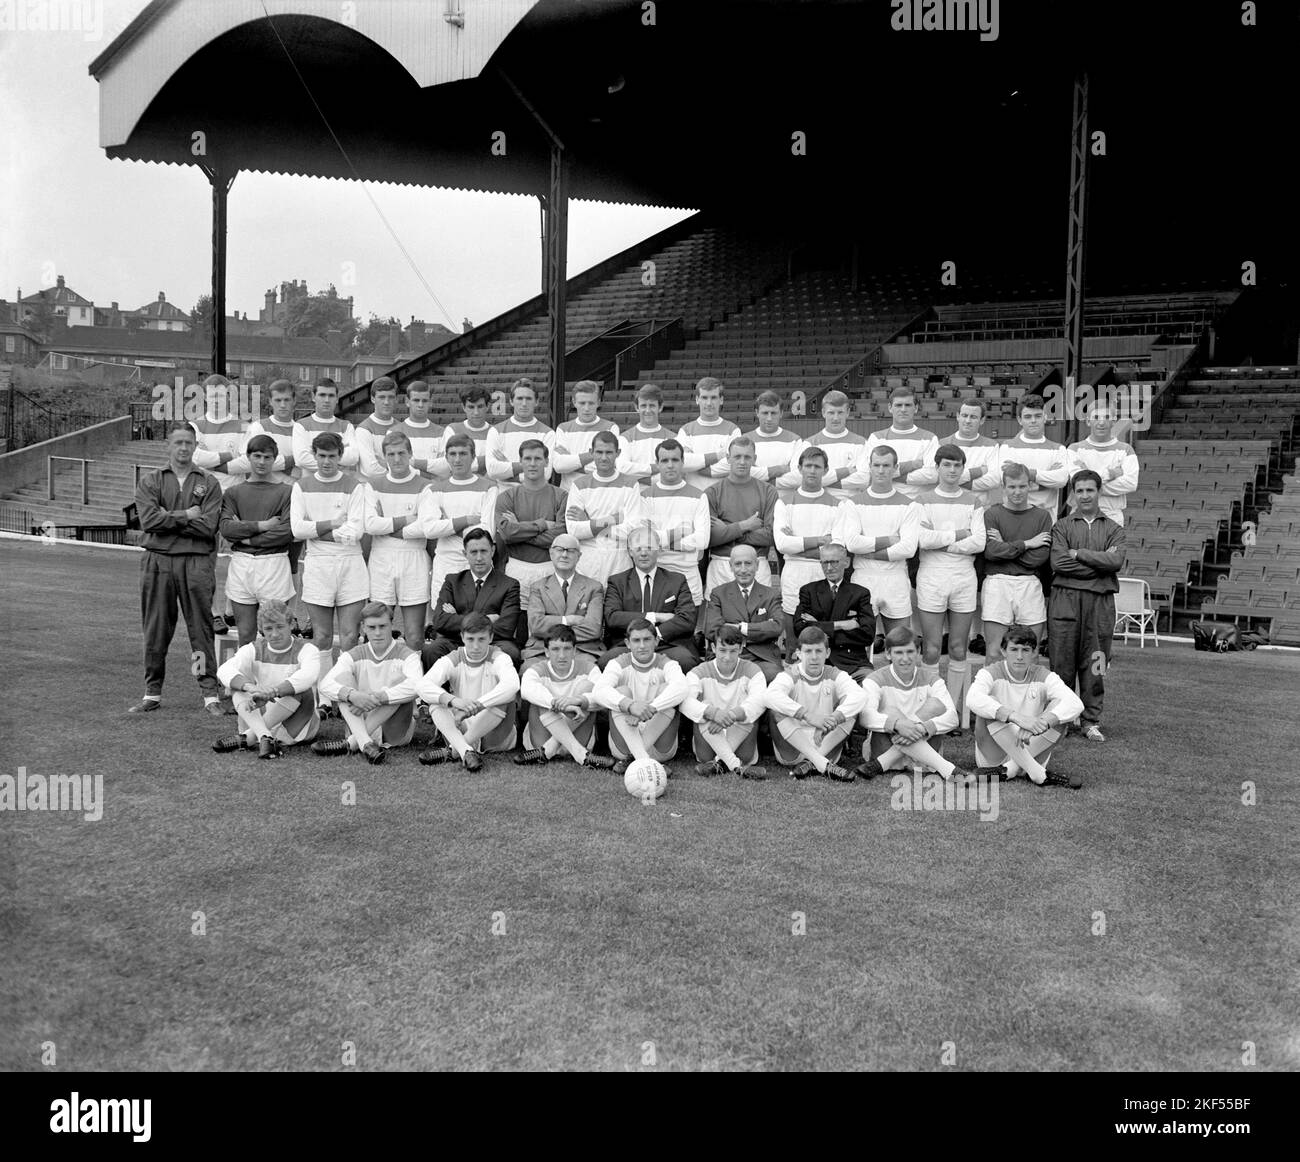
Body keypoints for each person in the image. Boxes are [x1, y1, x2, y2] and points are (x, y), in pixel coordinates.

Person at [129, 423, 225, 716]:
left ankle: (209, 694)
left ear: (196, 446)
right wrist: (186, 515)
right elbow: (148, 522)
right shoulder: (151, 480)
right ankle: (152, 693)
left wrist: (167, 519)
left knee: (200, 630)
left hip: (196, 562)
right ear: (168, 445)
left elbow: (208, 526)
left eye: (188, 443)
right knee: (156, 629)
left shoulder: (208, 482)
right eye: (178, 442)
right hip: (157, 561)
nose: (183, 448)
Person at [1048, 469, 1125, 743]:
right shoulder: (1062, 526)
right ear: (1073, 493)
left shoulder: (1113, 528)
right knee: (1062, 661)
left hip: (1100, 603)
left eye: (1089, 490)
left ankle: (1091, 720)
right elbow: (1059, 564)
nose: (1084, 496)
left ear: (1099, 491)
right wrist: (1098, 565)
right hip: (1065, 600)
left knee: (1096, 661)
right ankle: (1064, 719)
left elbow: (1116, 563)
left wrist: (1079, 554)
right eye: (1079, 491)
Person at [915, 444, 987, 728]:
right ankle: (933, 709)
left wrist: (941, 541)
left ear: (963, 469)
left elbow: (979, 542)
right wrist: (959, 535)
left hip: (964, 577)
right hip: (932, 575)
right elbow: (922, 540)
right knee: (932, 649)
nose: (952, 470)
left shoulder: (974, 501)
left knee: (958, 648)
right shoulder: (922, 500)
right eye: (947, 465)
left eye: (957, 465)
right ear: (937, 467)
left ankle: (955, 711)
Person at [290, 431, 368, 680]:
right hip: (318, 565)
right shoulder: (301, 486)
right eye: (321, 456)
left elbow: (356, 531)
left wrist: (318, 531)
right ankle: (324, 696)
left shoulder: (354, 485)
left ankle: (346, 691)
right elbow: (296, 529)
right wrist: (333, 523)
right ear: (314, 455)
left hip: (350, 564)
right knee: (321, 636)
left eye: (332, 456)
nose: (326, 461)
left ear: (341, 456)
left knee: (350, 636)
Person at [967, 625, 1084, 788]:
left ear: (1034, 652)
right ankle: (1037, 774)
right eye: (1014, 649)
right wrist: (1018, 718)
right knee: (988, 702)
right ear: (1003, 651)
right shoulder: (989, 673)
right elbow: (972, 698)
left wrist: (1039, 723)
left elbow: (1075, 703)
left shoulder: (1044, 675)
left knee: (1060, 707)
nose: (1020, 656)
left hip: (1033, 749)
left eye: (1026, 650)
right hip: (994, 756)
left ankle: (1009, 770)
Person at [856, 627, 971, 782]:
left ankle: (881, 763)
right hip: (885, 747)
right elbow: (865, 716)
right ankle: (947, 769)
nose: (905, 658)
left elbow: (952, 717)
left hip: (921, 759)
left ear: (918, 651)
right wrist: (896, 724)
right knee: (890, 710)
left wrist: (921, 728)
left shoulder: (932, 680)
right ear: (888, 653)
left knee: (936, 705)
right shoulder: (874, 679)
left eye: (910, 652)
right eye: (899, 652)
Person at [213, 599, 321, 759]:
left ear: (291, 625)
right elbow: (224, 670)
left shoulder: (307, 649)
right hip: (261, 714)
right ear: (261, 629)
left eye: (280, 627)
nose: (275, 634)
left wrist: (273, 692)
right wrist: (251, 687)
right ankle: (264, 737)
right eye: (269, 628)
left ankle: (248, 738)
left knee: (300, 688)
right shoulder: (253, 648)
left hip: (296, 724)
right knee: (238, 686)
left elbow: (308, 676)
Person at [314, 602, 422, 763]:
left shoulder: (408, 655)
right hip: (360, 717)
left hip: (394, 733)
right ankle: (365, 743)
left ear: (391, 625)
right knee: (342, 683)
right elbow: (325, 685)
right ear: (363, 627)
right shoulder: (353, 654)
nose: (378, 632)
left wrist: (377, 697)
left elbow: (417, 686)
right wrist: (353, 695)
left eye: (383, 626)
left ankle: (351, 743)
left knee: (400, 683)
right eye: (372, 627)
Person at [773, 446, 851, 658]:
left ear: (826, 470)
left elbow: (837, 550)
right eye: (808, 465)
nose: (812, 471)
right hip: (794, 573)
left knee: (824, 642)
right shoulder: (784, 502)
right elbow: (781, 544)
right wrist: (818, 541)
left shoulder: (838, 505)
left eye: (817, 466)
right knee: (792, 643)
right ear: (799, 468)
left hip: (824, 575)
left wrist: (797, 546)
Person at [416, 612, 520, 771]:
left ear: (491, 638)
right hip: (461, 726)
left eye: (482, 639)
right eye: (471, 639)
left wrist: (477, 706)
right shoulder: (453, 658)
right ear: (462, 637)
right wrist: (454, 701)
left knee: (505, 698)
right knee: (436, 702)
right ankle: (466, 751)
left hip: (495, 734)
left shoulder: (500, 657)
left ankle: (453, 751)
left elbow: (512, 685)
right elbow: (422, 686)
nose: (476, 646)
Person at [218, 434, 295, 645]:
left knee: (276, 632)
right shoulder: (233, 493)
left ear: (274, 459)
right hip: (242, 564)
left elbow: (286, 532)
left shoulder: (287, 492)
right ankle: (246, 678)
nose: (261, 462)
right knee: (245, 634)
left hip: (275, 563)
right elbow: (226, 528)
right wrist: (261, 525)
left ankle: (275, 677)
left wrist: (247, 538)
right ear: (248, 457)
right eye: (257, 456)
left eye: (267, 457)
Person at [764, 626, 864, 781]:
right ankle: (819, 762)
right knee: (775, 709)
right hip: (792, 748)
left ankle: (813, 761)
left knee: (851, 710)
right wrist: (808, 716)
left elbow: (860, 696)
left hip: (826, 743)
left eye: (819, 651)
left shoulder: (835, 674)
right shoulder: (790, 675)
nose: (814, 657)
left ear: (828, 653)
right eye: (808, 651)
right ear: (798, 654)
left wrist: (835, 718)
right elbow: (769, 696)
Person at [590, 618, 690, 771]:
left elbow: (682, 688)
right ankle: (643, 758)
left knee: (668, 690)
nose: (642, 646)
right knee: (621, 693)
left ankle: (634, 758)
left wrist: (650, 708)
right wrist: (630, 706)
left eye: (647, 639)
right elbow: (598, 691)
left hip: (659, 747)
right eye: (636, 640)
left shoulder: (668, 664)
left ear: (656, 641)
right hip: (624, 744)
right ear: (628, 643)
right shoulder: (617, 663)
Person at [842, 444, 919, 640]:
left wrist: (869, 551)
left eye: (886, 465)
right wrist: (888, 540)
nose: (881, 470)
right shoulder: (853, 503)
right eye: (876, 465)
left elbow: (908, 548)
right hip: (863, 578)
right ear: (869, 466)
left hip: (896, 578)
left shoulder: (909, 505)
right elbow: (852, 543)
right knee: (859, 646)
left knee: (900, 643)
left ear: (895, 468)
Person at [363, 430, 431, 652]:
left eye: (401, 453)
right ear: (384, 457)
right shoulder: (372, 485)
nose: (396, 459)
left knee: (414, 634)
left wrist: (388, 525)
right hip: (381, 558)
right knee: (377, 628)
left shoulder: (426, 486)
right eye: (390, 454)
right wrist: (406, 519)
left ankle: (415, 684)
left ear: (410, 453)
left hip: (414, 559)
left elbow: (425, 527)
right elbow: (370, 525)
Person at [189, 374, 246, 633]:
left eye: (221, 394)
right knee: (207, 558)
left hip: (235, 499)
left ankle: (233, 608)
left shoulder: (244, 425)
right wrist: (227, 457)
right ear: (204, 396)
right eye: (212, 395)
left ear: (228, 396)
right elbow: (196, 457)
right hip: (207, 500)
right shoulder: (196, 425)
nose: (216, 399)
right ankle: (212, 612)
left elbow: (246, 460)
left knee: (242, 556)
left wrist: (213, 462)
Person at [515, 624, 616, 769]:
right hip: (542, 738)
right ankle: (581, 755)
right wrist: (560, 705)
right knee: (540, 696)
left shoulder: (590, 668)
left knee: (588, 690)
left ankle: (548, 751)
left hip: (577, 734)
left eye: (567, 649)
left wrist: (577, 700)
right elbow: (526, 691)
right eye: (555, 649)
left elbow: (603, 698)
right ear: (546, 652)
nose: (561, 655)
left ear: (575, 650)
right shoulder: (536, 670)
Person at [981, 462, 1053, 661]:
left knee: (1031, 652)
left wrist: (1005, 546)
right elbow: (990, 552)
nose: (1017, 492)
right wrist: (1027, 544)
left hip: (1029, 582)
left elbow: (1039, 558)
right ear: (1003, 488)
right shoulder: (992, 514)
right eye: (1012, 487)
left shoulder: (1042, 516)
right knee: (995, 652)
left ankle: (1028, 693)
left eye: (1022, 486)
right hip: (997, 582)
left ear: (1030, 486)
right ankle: (993, 693)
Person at [417, 432, 498, 605]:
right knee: (446, 620)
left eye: (463, 454)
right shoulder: (434, 490)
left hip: (477, 563)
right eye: (452, 454)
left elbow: (487, 532)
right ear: (446, 457)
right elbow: (429, 530)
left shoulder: (489, 488)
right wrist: (466, 520)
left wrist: (447, 525)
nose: (457, 459)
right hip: (445, 563)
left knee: (477, 620)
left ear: (473, 457)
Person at [601, 526, 699, 669]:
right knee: (606, 663)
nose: (644, 553)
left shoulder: (677, 580)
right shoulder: (617, 582)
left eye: (649, 548)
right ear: (630, 552)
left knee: (686, 661)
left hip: (667, 644)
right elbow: (612, 617)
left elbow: (687, 619)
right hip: (629, 646)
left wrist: (655, 635)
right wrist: (654, 616)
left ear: (658, 549)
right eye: (638, 549)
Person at [681, 626, 769, 779]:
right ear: (713, 647)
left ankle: (720, 764)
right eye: (722, 650)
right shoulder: (699, 671)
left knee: (749, 708)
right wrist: (713, 713)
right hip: (709, 742)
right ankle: (735, 766)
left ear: (741, 648)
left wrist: (730, 716)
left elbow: (760, 700)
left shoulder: (753, 670)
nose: (727, 657)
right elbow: (684, 701)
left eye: (733, 651)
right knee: (704, 706)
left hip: (741, 740)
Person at [425, 526, 521, 665]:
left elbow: (506, 627)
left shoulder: (509, 584)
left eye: (483, 551)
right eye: (473, 552)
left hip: (492, 642)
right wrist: (487, 619)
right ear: (465, 554)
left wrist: (457, 617)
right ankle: (441, 688)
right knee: (431, 650)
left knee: (510, 653)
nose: (479, 558)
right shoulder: (452, 581)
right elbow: (440, 621)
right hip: (458, 641)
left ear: (492, 551)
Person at [636, 438, 710, 605]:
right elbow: (644, 540)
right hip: (655, 573)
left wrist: (659, 540)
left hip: (689, 574)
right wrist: (680, 532)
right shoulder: (645, 497)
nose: (670, 465)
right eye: (665, 460)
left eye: (675, 460)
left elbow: (702, 540)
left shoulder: (699, 496)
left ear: (683, 462)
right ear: (657, 463)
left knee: (688, 631)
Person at [565, 429, 642, 584]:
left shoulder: (631, 484)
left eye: (609, 452)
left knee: (617, 608)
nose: (604, 457)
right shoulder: (579, 485)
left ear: (618, 453)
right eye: (599, 452)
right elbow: (573, 530)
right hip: (587, 562)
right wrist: (614, 519)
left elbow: (633, 529)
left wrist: (591, 523)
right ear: (591, 452)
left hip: (619, 561)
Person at [705, 434, 777, 595]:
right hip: (721, 565)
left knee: (760, 619)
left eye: (747, 457)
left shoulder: (768, 491)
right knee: (719, 620)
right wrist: (745, 526)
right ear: (728, 458)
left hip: (757, 564)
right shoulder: (712, 492)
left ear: (754, 459)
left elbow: (771, 536)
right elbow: (710, 538)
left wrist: (728, 531)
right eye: (737, 456)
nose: (742, 462)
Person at [701, 543, 783, 681]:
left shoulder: (771, 594)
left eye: (748, 563)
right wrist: (759, 630)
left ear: (757, 565)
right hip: (726, 654)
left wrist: (741, 628)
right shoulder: (718, 593)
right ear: (730, 566)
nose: (743, 570)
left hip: (761, 657)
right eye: (738, 564)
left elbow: (776, 627)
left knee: (774, 675)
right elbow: (712, 630)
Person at [495, 439, 566, 594]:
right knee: (517, 618)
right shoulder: (506, 497)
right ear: (520, 461)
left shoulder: (561, 496)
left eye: (538, 458)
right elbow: (507, 534)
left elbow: (559, 537)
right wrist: (543, 525)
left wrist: (519, 528)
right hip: (516, 569)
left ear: (547, 461)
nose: (532, 463)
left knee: (550, 619)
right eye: (527, 458)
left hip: (550, 568)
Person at [794, 542, 875, 676]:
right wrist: (841, 625)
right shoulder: (808, 591)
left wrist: (817, 626)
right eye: (824, 563)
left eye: (834, 562)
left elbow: (867, 635)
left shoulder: (860, 593)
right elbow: (800, 629)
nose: (829, 568)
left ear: (846, 562)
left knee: (869, 682)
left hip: (852, 663)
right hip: (814, 660)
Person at [522, 534, 605, 659]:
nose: (565, 555)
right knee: (530, 670)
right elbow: (536, 625)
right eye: (560, 549)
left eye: (571, 551)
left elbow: (593, 629)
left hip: (582, 650)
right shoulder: (537, 587)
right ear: (551, 553)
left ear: (579, 556)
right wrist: (567, 620)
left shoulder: (594, 587)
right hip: (543, 650)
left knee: (588, 670)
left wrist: (550, 624)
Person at [850, 385, 938, 501]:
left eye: (908, 405)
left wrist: (887, 475)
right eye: (898, 405)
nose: (903, 409)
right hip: (884, 502)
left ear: (916, 408)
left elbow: (932, 475)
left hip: (918, 503)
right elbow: (869, 472)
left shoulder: (930, 438)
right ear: (890, 408)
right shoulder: (876, 438)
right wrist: (911, 465)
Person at [776, 389, 866, 501]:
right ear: (823, 412)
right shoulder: (809, 444)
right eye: (831, 412)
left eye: (840, 412)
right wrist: (844, 472)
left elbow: (864, 479)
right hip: (817, 505)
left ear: (847, 412)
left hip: (850, 505)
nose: (836, 418)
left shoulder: (861, 443)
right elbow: (800, 476)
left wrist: (819, 481)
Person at [911, 399, 1002, 502]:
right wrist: (977, 472)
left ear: (982, 420)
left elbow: (994, 480)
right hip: (946, 506)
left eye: (973, 417)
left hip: (980, 509)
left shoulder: (992, 446)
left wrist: (952, 480)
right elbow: (936, 476)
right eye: (964, 415)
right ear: (958, 416)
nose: (967, 421)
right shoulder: (941, 444)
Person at [1067, 402, 1140, 525]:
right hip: (1079, 515)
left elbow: (1131, 484)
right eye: (1096, 417)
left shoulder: (1126, 450)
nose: (1101, 422)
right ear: (1088, 421)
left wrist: (1088, 480)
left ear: (1113, 421)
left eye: (1106, 417)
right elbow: (1077, 482)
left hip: (1112, 517)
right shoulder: (1074, 449)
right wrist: (1110, 473)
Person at [1000, 393, 1070, 517]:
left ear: (1045, 417)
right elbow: (1005, 480)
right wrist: (1046, 485)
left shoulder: (1058, 449)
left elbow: (1061, 480)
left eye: (1038, 416)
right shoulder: (1007, 447)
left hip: (1046, 516)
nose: (1033, 421)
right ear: (1019, 420)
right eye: (1027, 417)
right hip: (1013, 516)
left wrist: (1026, 473)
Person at [551, 379, 620, 491]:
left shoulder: (610, 428)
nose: (587, 408)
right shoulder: (563, 429)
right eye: (582, 403)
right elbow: (559, 465)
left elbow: (611, 465)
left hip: (600, 493)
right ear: (574, 402)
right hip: (569, 494)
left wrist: (572, 465)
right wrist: (594, 456)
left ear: (598, 402)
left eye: (591, 403)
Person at [677, 376, 741, 492]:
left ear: (721, 400)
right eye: (704, 397)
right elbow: (683, 462)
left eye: (714, 398)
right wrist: (718, 456)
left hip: (723, 497)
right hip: (694, 497)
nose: (709, 403)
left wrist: (697, 466)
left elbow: (733, 464)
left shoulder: (733, 430)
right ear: (697, 399)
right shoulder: (685, 431)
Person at [486, 377, 554, 483]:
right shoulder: (496, 431)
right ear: (511, 401)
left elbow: (545, 474)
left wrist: (507, 469)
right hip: (504, 496)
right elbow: (492, 470)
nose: (524, 403)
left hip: (535, 496)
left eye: (529, 399)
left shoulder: (548, 433)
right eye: (520, 398)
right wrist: (531, 467)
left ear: (537, 402)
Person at [292, 378, 359, 475]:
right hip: (311, 487)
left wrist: (315, 455)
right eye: (322, 395)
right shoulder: (301, 425)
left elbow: (353, 457)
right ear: (313, 397)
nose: (327, 400)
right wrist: (336, 462)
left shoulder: (346, 426)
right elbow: (301, 459)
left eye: (331, 395)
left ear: (337, 399)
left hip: (340, 487)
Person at [615, 383, 674, 482]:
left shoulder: (673, 438)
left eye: (652, 405)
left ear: (660, 407)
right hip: (636, 496)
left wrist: (640, 478)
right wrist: (656, 468)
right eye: (643, 406)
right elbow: (623, 468)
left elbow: (676, 471)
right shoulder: (625, 438)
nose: (647, 410)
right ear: (636, 407)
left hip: (664, 495)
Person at [432, 384, 494, 477]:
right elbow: (449, 465)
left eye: (480, 406)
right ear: (464, 407)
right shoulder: (452, 430)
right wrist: (487, 461)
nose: (476, 412)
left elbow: (496, 467)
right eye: (471, 407)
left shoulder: (495, 432)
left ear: (487, 406)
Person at [744, 391, 801, 489]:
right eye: (765, 413)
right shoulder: (744, 440)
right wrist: (779, 470)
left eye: (773, 413)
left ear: (781, 413)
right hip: (753, 500)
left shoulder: (795, 441)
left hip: (785, 501)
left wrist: (760, 479)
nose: (769, 418)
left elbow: (798, 476)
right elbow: (742, 472)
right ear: (757, 413)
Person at [354, 375, 401, 480]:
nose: (386, 402)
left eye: (391, 397)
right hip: (371, 491)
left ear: (396, 399)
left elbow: (409, 464)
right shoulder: (363, 429)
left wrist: (384, 463)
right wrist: (399, 471)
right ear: (372, 399)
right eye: (382, 397)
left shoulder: (401, 428)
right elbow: (370, 470)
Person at [401, 380, 443, 479]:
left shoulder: (442, 432)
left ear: (431, 402)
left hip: (433, 491)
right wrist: (431, 477)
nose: (420, 405)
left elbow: (445, 466)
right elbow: (397, 466)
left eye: (424, 401)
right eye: (416, 400)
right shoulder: (395, 432)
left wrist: (412, 462)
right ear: (407, 402)